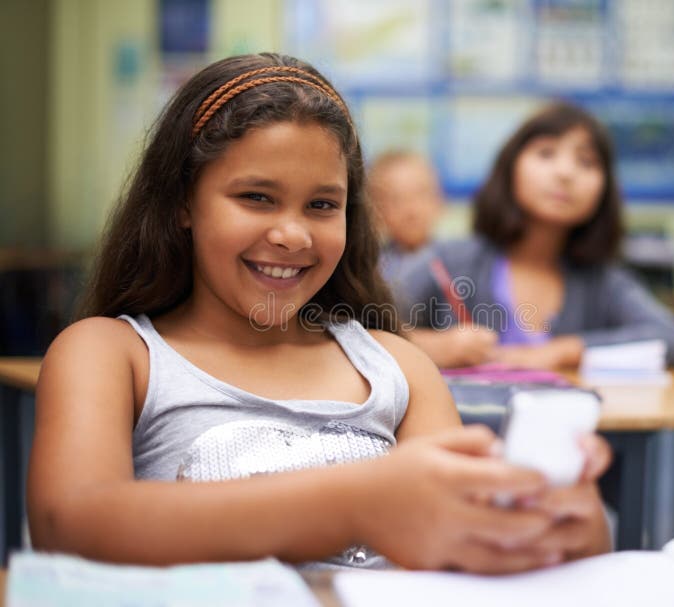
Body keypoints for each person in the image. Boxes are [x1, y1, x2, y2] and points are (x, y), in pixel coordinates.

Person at [27, 54, 612, 573]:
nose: (291, 234)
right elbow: (70, 525)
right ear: (183, 202)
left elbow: (464, 546)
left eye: (322, 205)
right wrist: (358, 500)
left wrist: (563, 516)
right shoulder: (109, 352)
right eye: (256, 197)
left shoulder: (396, 365)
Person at [396, 101, 674, 369]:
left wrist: (565, 351)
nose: (565, 173)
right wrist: (434, 346)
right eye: (546, 153)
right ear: (510, 168)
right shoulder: (450, 262)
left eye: (586, 161)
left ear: (605, 189)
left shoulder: (602, 281)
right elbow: (357, 326)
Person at [366, 150, 444, 280]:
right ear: (376, 211)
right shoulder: (373, 270)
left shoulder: (457, 263)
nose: (412, 210)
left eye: (421, 194)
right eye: (397, 200)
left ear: (439, 199)